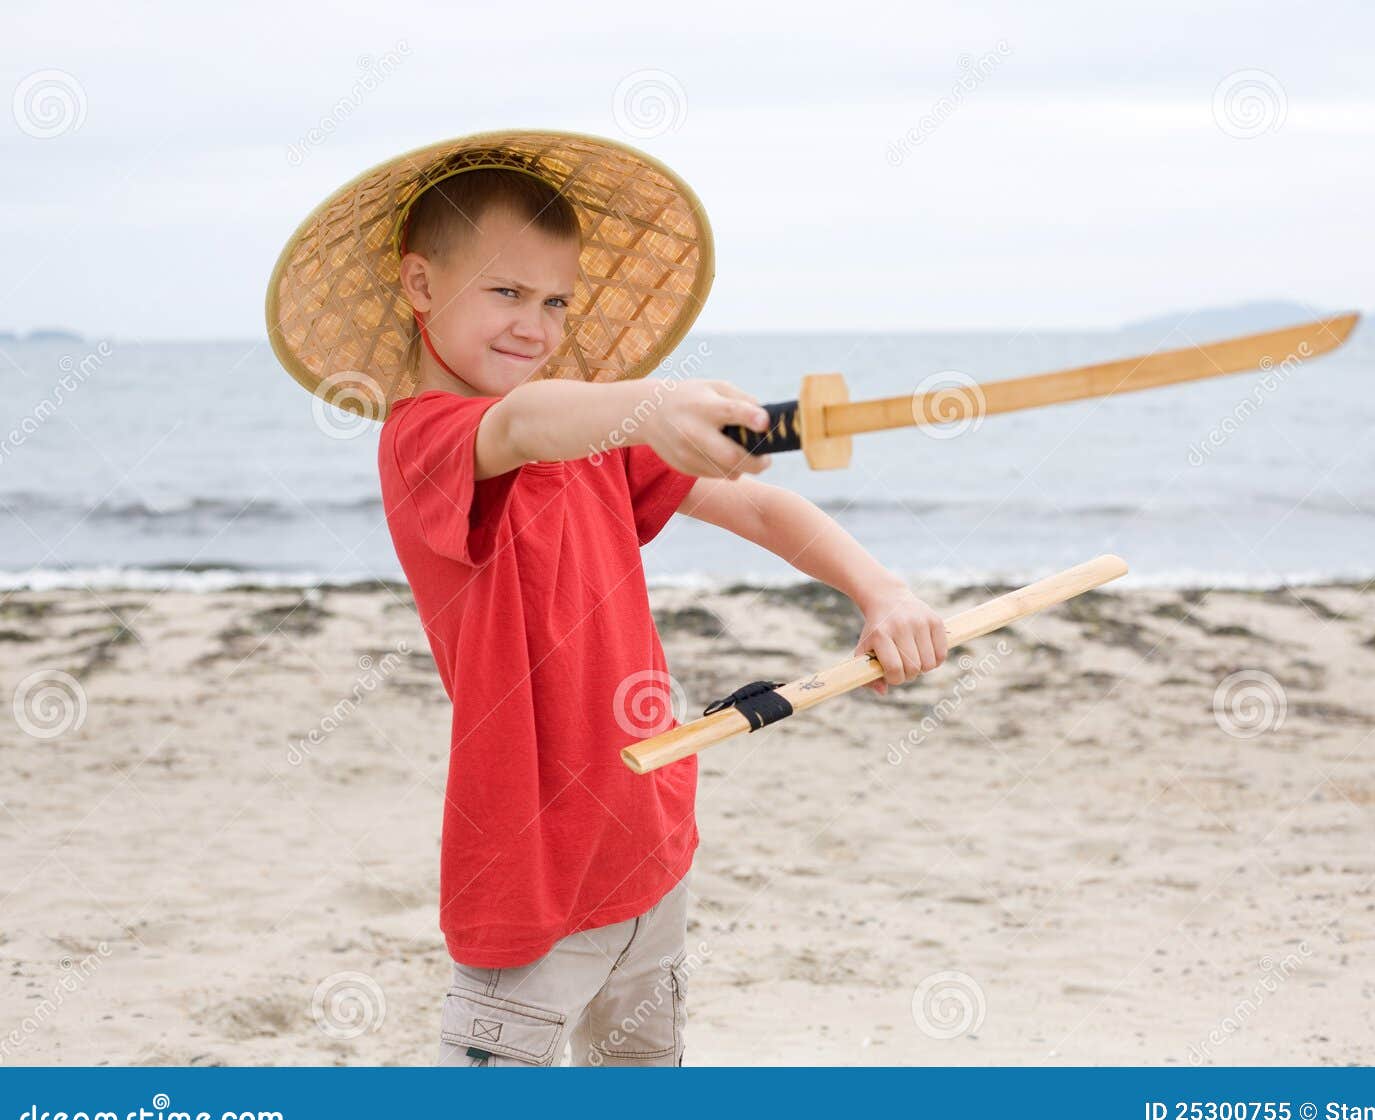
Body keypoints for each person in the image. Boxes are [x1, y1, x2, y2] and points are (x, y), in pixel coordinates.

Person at [266, 131, 948, 1066]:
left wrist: (882, 588)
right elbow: (521, 420)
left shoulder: (600, 439)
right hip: (530, 880)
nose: (534, 325)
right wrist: (652, 405)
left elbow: (755, 502)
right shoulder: (425, 445)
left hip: (651, 848)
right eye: (505, 291)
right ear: (420, 286)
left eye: (555, 301)